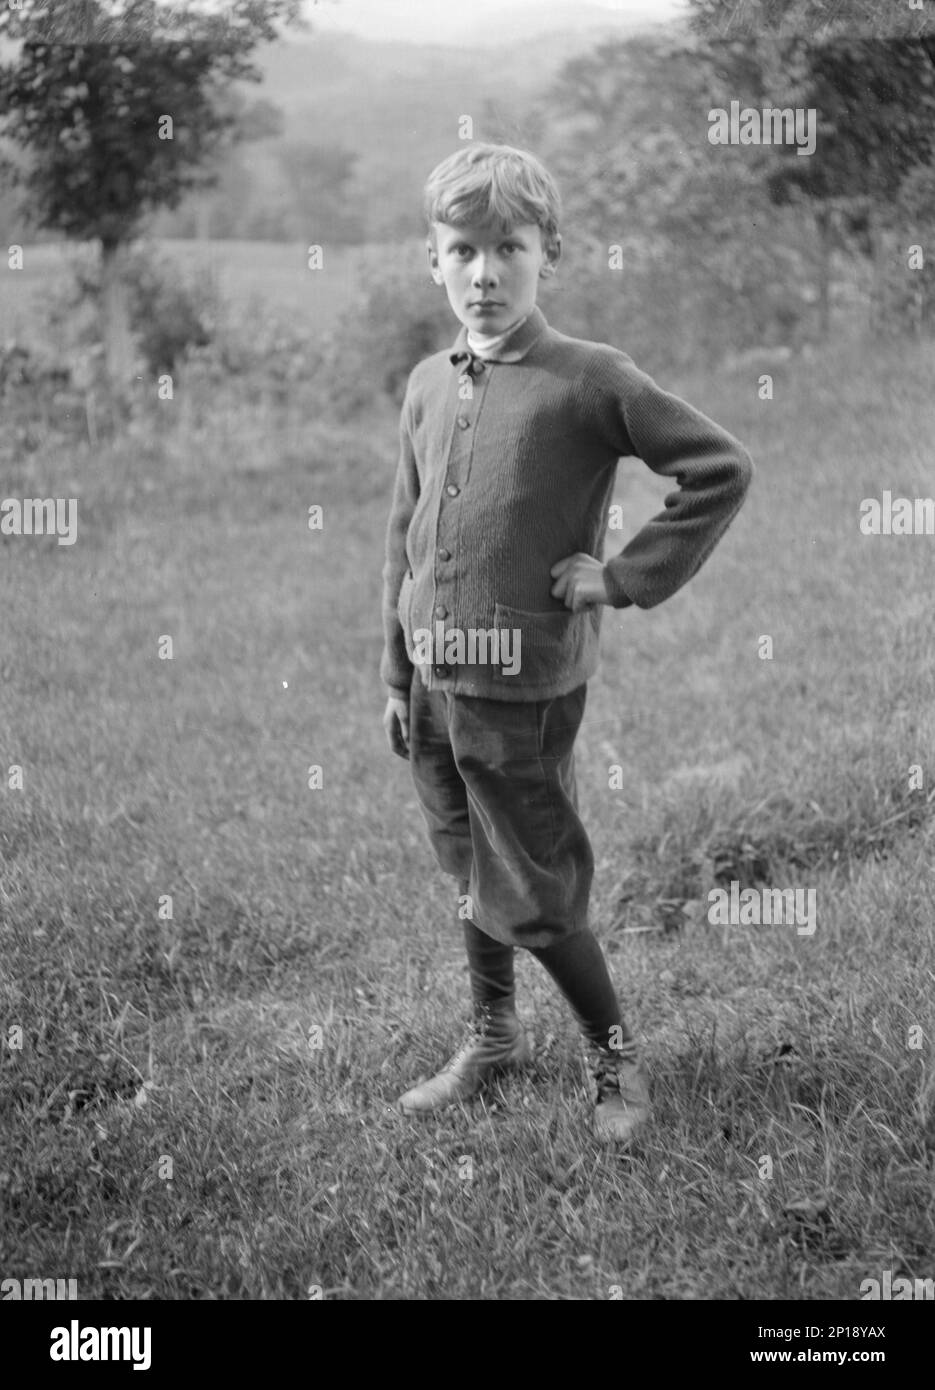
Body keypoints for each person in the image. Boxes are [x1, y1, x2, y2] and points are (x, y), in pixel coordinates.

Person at [380, 143, 753, 1145]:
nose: (485, 274)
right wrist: (393, 669)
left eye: (509, 247)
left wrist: (619, 575)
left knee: (538, 888)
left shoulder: (588, 379)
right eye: (462, 250)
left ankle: (615, 1059)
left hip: (522, 685)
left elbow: (717, 466)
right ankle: (492, 1037)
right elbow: (403, 536)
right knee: (469, 870)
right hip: (430, 687)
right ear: (434, 259)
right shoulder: (423, 384)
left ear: (552, 252)